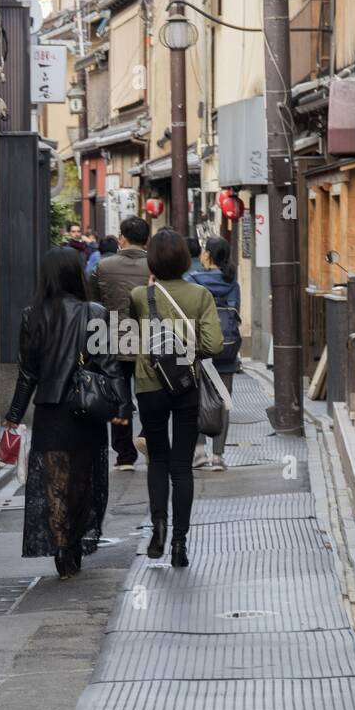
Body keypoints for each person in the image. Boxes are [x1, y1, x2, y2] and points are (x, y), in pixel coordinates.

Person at [3, 247, 128, 579]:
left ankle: (61, 546)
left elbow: (27, 372)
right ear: (76, 275)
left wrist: (14, 414)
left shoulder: (32, 316)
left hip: (49, 411)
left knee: (55, 483)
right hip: (87, 409)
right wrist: (121, 406)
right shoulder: (96, 313)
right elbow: (110, 365)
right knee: (83, 482)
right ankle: (73, 542)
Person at [130, 228, 223, 567]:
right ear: (186, 259)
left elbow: (130, 339)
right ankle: (180, 545)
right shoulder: (200, 295)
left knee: (157, 459)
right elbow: (213, 346)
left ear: (152, 260)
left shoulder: (142, 296)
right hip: (185, 384)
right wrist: (186, 348)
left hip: (149, 385)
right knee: (182, 466)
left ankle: (158, 527)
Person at [89, 215, 152, 470]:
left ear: (122, 239)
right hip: (149, 339)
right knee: (149, 392)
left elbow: (93, 303)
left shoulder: (102, 267)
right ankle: (147, 436)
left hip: (113, 339)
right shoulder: (155, 266)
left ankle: (125, 454)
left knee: (119, 396)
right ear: (146, 240)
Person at [188, 235, 241, 470]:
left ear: (207, 254)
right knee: (223, 402)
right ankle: (218, 456)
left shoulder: (192, 280)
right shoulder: (232, 283)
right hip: (226, 351)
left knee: (196, 401)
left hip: (199, 350)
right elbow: (236, 313)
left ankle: (199, 452)